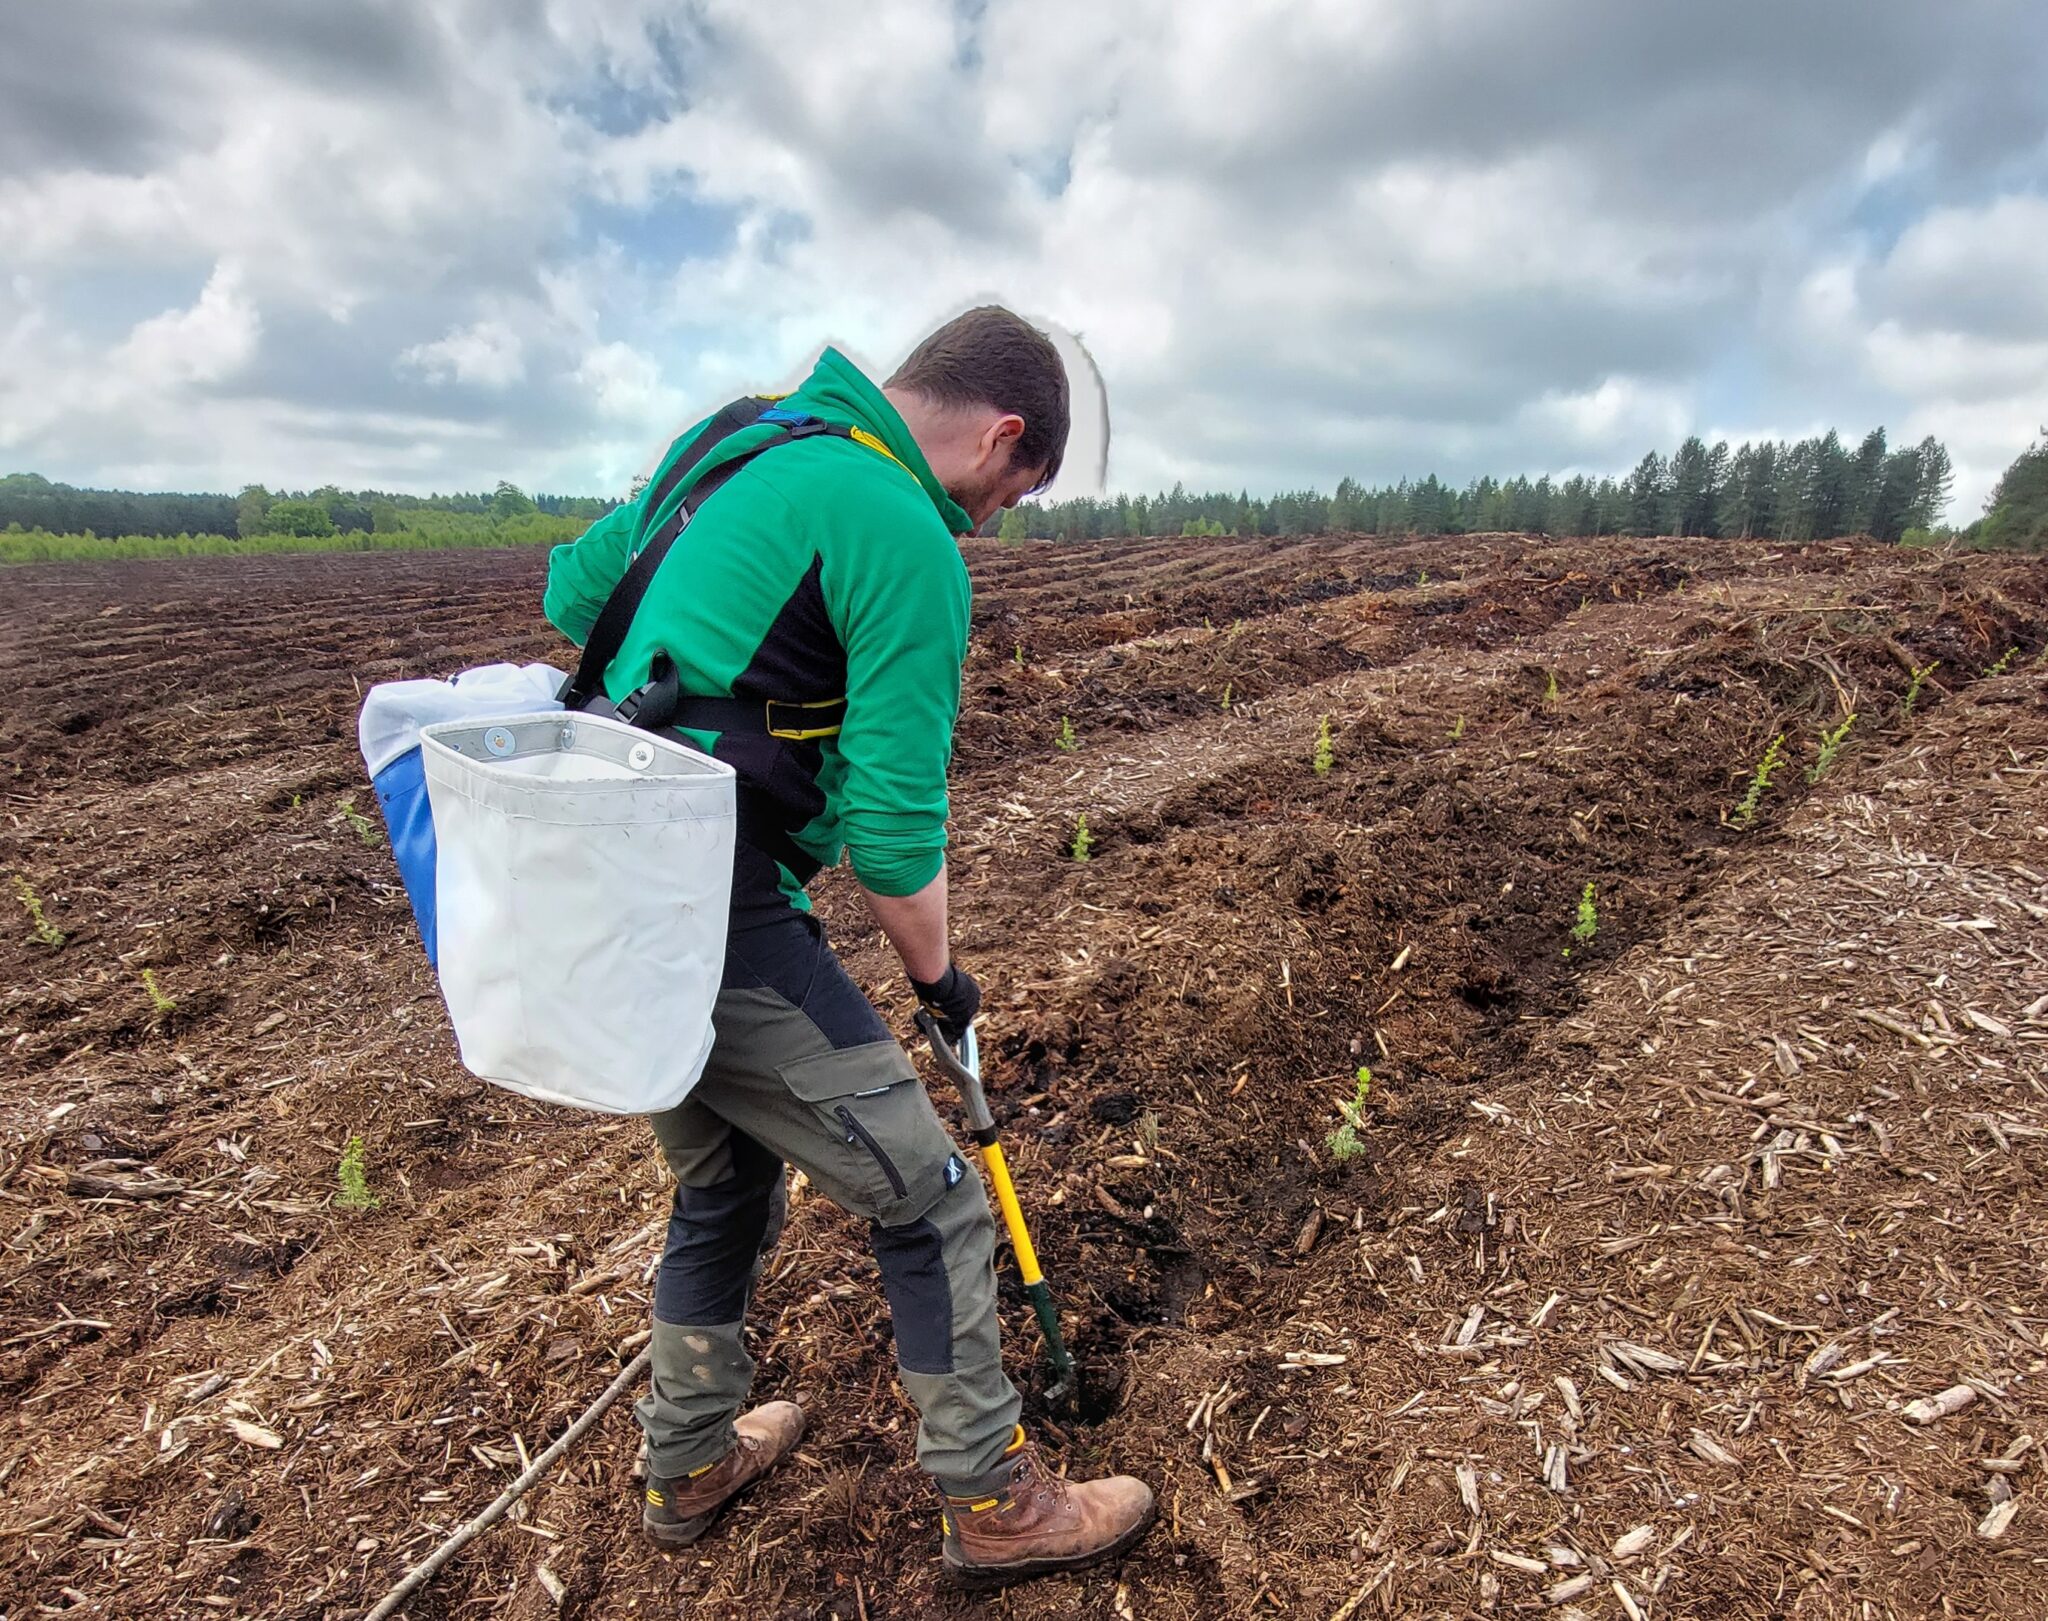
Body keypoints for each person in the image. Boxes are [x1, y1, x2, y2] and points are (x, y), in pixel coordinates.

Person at [541, 306, 1155, 1585]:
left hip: (594, 882)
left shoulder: (735, 437)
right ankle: (993, 1502)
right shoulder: (901, 530)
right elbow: (888, 835)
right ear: (1000, 435)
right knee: (932, 1200)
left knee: (723, 1181)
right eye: (1010, 492)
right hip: (709, 903)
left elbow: (575, 590)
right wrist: (939, 982)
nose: (989, 524)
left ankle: (688, 1460)